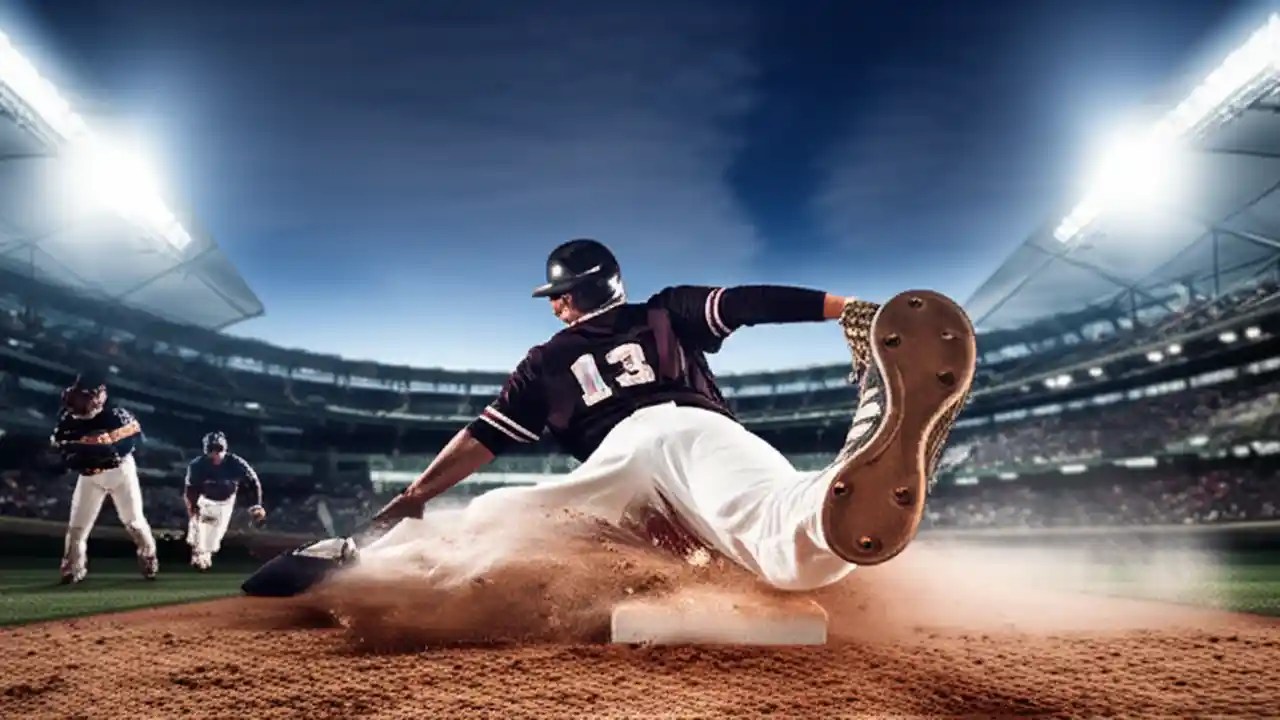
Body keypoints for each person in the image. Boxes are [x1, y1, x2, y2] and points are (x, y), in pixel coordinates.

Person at [243, 238, 975, 596]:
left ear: (569, 298)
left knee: (498, 524)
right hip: (697, 433)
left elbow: (478, 443)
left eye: (555, 296)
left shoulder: (542, 361)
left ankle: (363, 568)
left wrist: (415, 498)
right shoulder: (664, 311)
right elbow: (749, 301)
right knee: (793, 544)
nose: (554, 305)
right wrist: (851, 310)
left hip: (615, 469)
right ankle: (857, 450)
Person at [52, 369, 158, 583]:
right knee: (77, 527)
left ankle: (148, 554)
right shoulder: (68, 419)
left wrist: (109, 446)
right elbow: (61, 448)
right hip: (90, 475)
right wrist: (83, 451)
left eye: (86, 396)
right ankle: (73, 567)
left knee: (134, 522)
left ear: (99, 396)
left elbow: (137, 442)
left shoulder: (116, 416)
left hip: (120, 472)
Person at [184, 431, 266, 571]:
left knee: (215, 537)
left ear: (225, 449)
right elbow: (190, 489)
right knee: (198, 529)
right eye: (211, 450)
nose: (215, 454)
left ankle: (206, 553)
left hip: (226, 502)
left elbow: (253, 482)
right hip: (204, 499)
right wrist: (192, 506)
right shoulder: (197, 465)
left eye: (219, 450)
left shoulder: (236, 463)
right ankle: (199, 556)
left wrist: (256, 504)